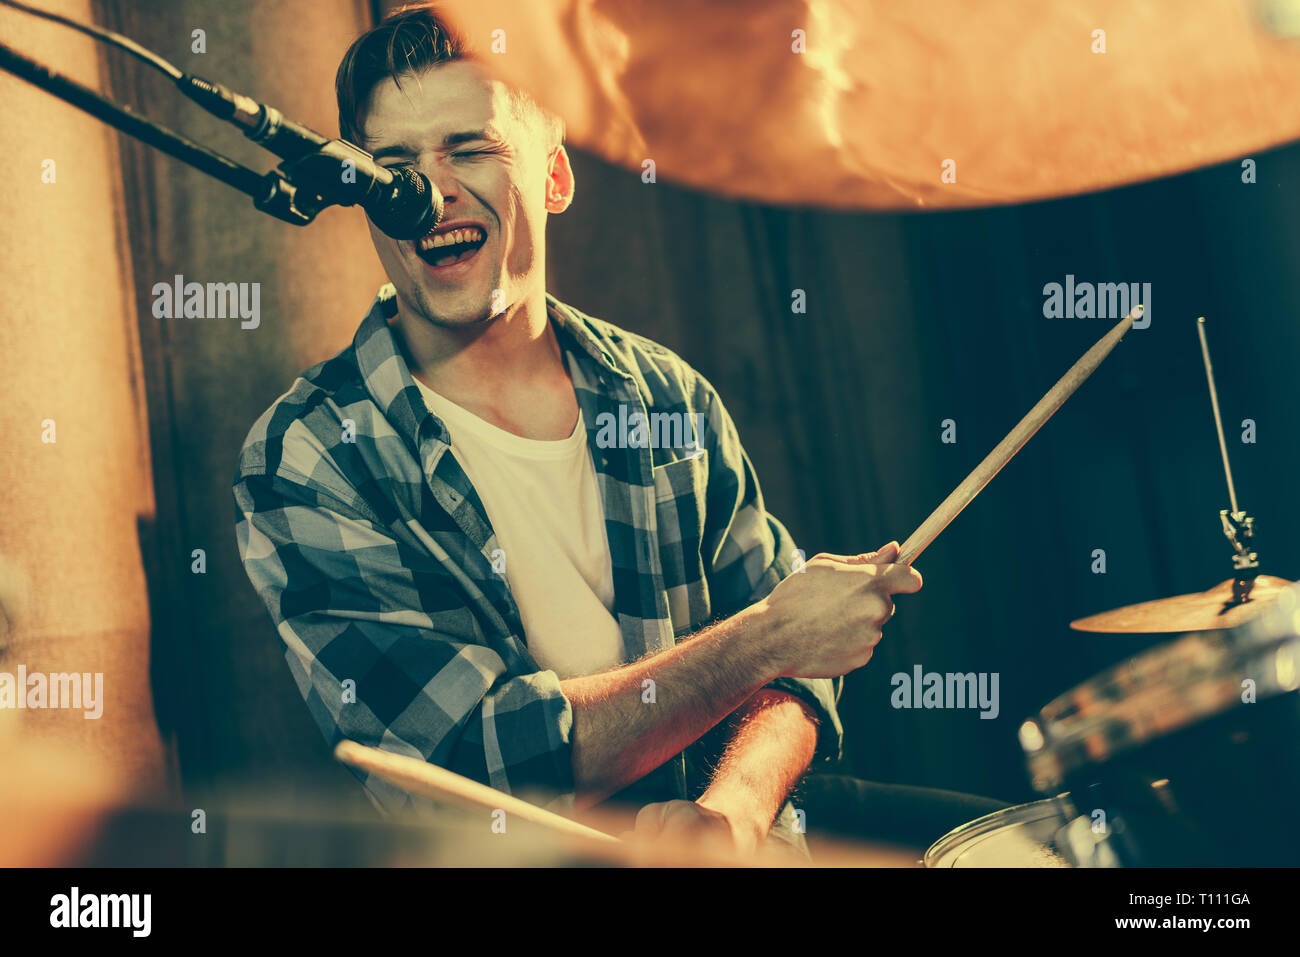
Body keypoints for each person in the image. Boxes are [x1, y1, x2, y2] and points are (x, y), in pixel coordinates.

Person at [232, 4, 983, 861]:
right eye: (393, 165)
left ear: (554, 177)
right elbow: (479, 767)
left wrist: (732, 809)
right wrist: (764, 634)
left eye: (468, 148)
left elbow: (798, 671)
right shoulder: (310, 455)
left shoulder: (665, 394)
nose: (429, 194)